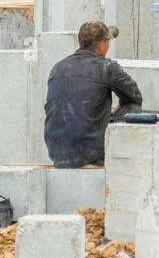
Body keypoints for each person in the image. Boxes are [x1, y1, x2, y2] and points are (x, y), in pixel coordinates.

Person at [44, 20, 143, 169]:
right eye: (108, 41)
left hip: (56, 151)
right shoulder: (107, 67)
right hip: (89, 153)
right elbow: (135, 97)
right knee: (134, 109)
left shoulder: (58, 67)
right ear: (102, 44)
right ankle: (122, 164)